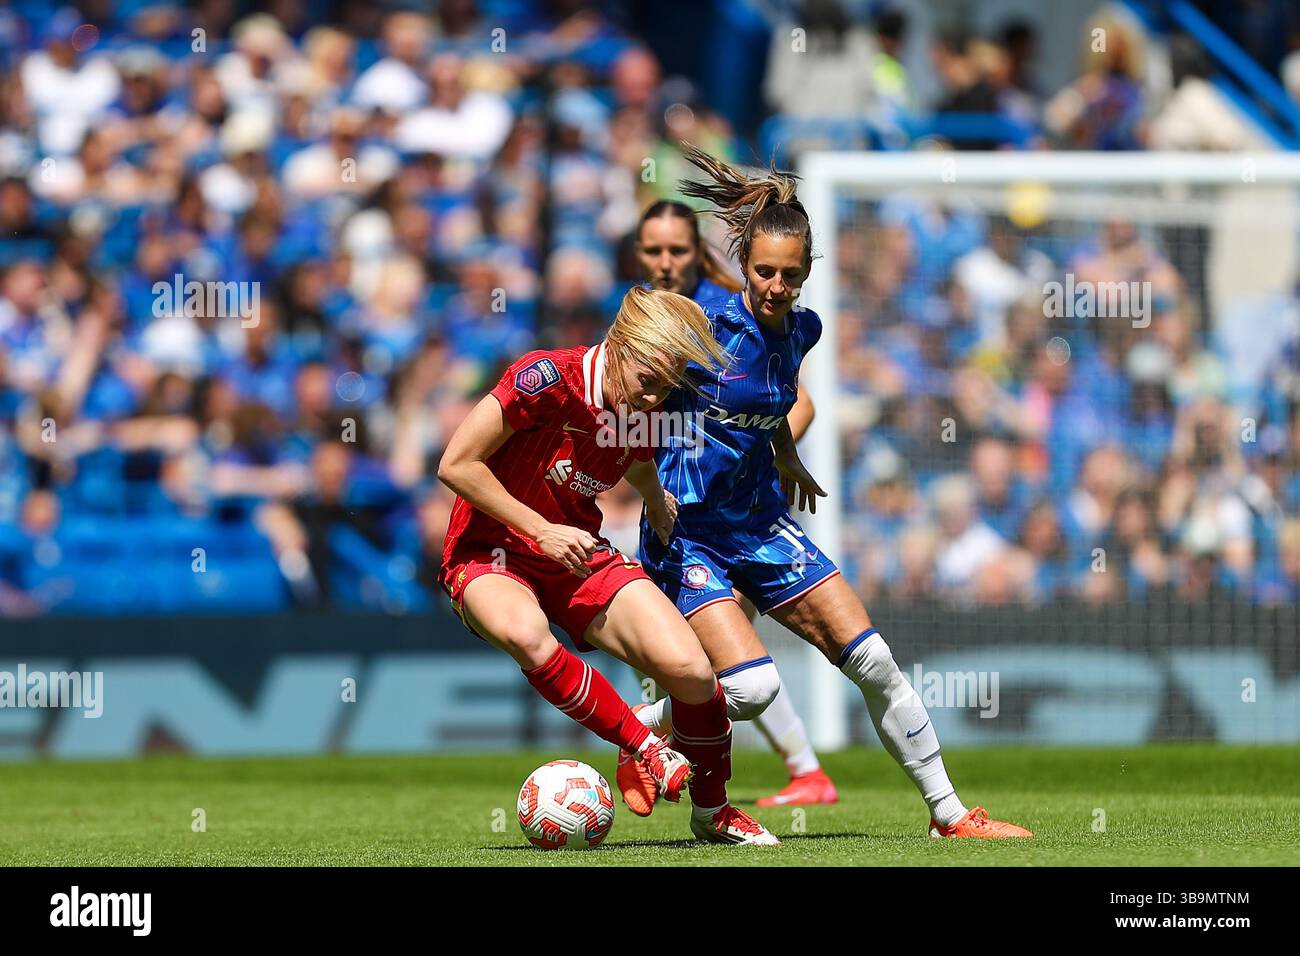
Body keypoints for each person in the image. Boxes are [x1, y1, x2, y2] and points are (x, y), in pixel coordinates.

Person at [622, 144, 1034, 838]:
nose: (775, 287)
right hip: (689, 530)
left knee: (874, 660)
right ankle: (639, 729)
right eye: (763, 272)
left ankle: (950, 816)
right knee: (752, 689)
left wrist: (784, 454)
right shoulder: (704, 330)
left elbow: (771, 403)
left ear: (808, 271)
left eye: (789, 273)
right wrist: (647, 487)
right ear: (744, 266)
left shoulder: (802, 331)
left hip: (759, 522)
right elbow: (629, 407)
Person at [437, 285, 779, 845]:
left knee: (693, 673)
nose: (652, 401)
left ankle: (713, 814)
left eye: (665, 391)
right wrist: (540, 530)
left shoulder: (639, 407)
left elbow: (635, 454)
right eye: (647, 383)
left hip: (576, 555)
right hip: (490, 551)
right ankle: (643, 744)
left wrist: (656, 498)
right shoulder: (544, 379)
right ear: (619, 347)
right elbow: (456, 464)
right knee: (528, 634)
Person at [631, 199, 839, 808]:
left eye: (677, 250)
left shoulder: (738, 305)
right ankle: (786, 771)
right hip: (667, 506)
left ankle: (670, 754)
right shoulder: (647, 315)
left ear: (701, 252)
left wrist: (769, 454)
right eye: (652, 251)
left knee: (729, 665)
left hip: (734, 519)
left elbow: (794, 402)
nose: (665, 262)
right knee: (710, 663)